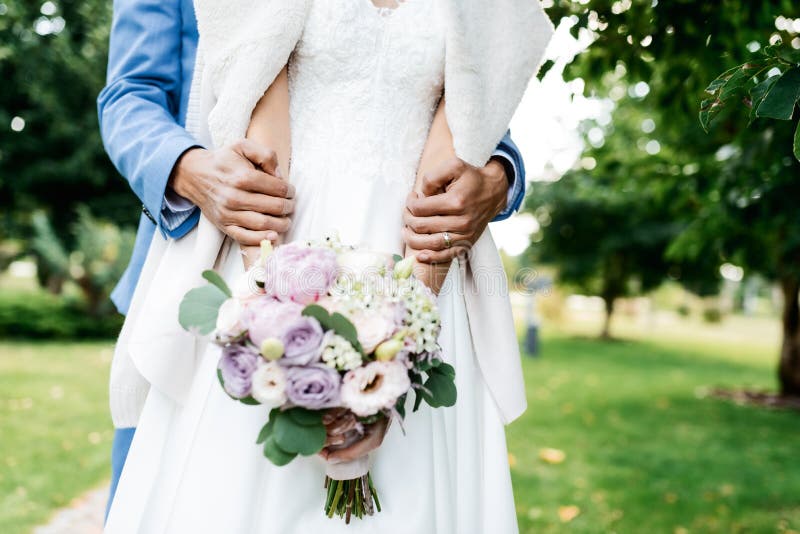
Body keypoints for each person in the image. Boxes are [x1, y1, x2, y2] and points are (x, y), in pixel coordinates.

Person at [100, 0, 553, 532]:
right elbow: (130, 96)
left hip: (420, 266)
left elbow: (478, 112)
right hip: (250, 248)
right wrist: (197, 175)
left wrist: (400, 344)